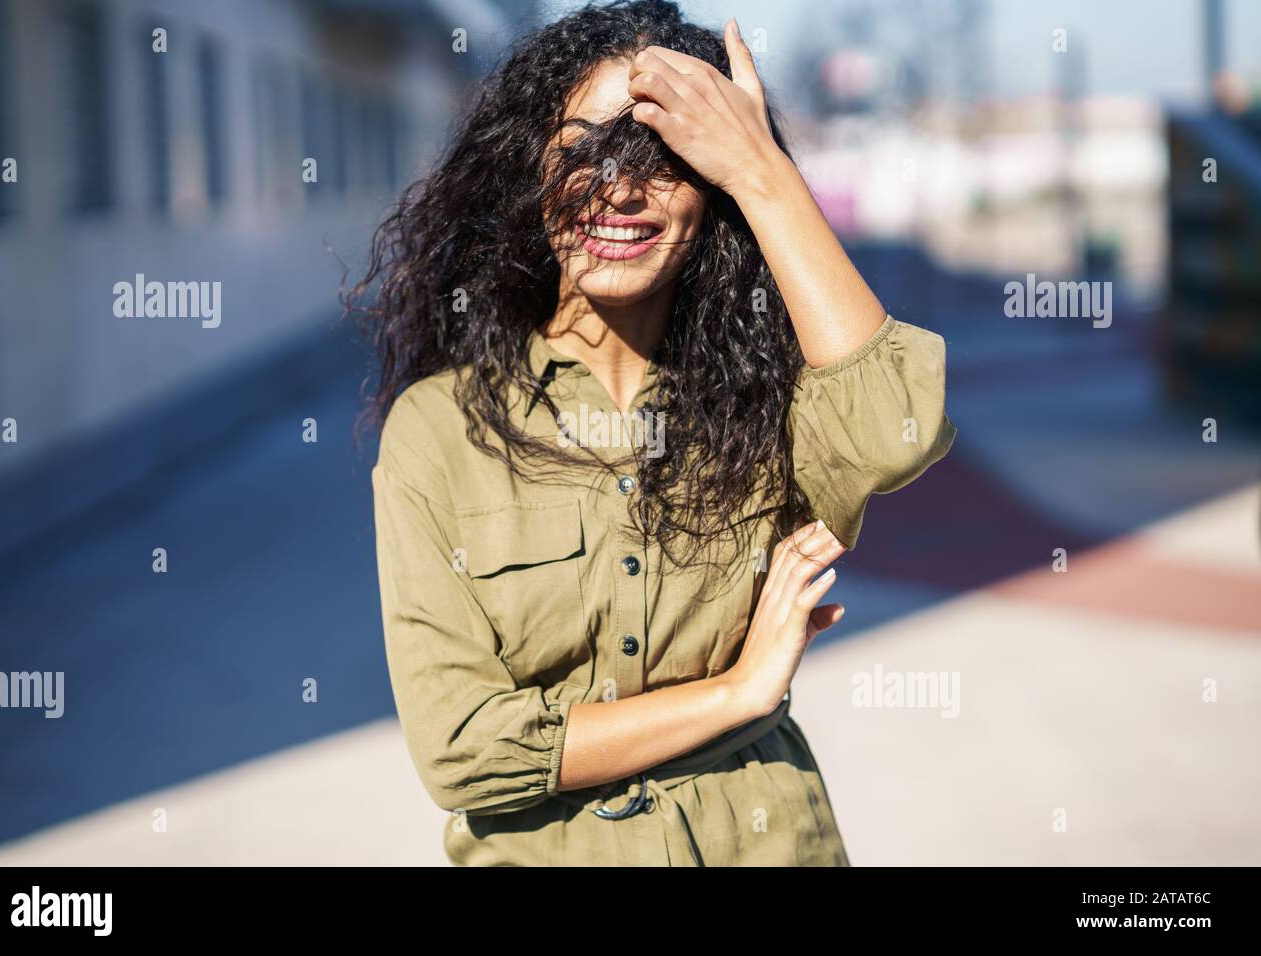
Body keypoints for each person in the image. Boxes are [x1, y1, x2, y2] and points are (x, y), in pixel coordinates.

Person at [355, 0, 956, 865]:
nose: (622, 191)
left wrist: (764, 173)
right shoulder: (439, 430)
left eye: (668, 161)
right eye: (586, 152)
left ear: (709, 194)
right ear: (527, 174)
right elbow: (466, 752)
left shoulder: (769, 403)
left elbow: (900, 427)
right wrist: (739, 694)